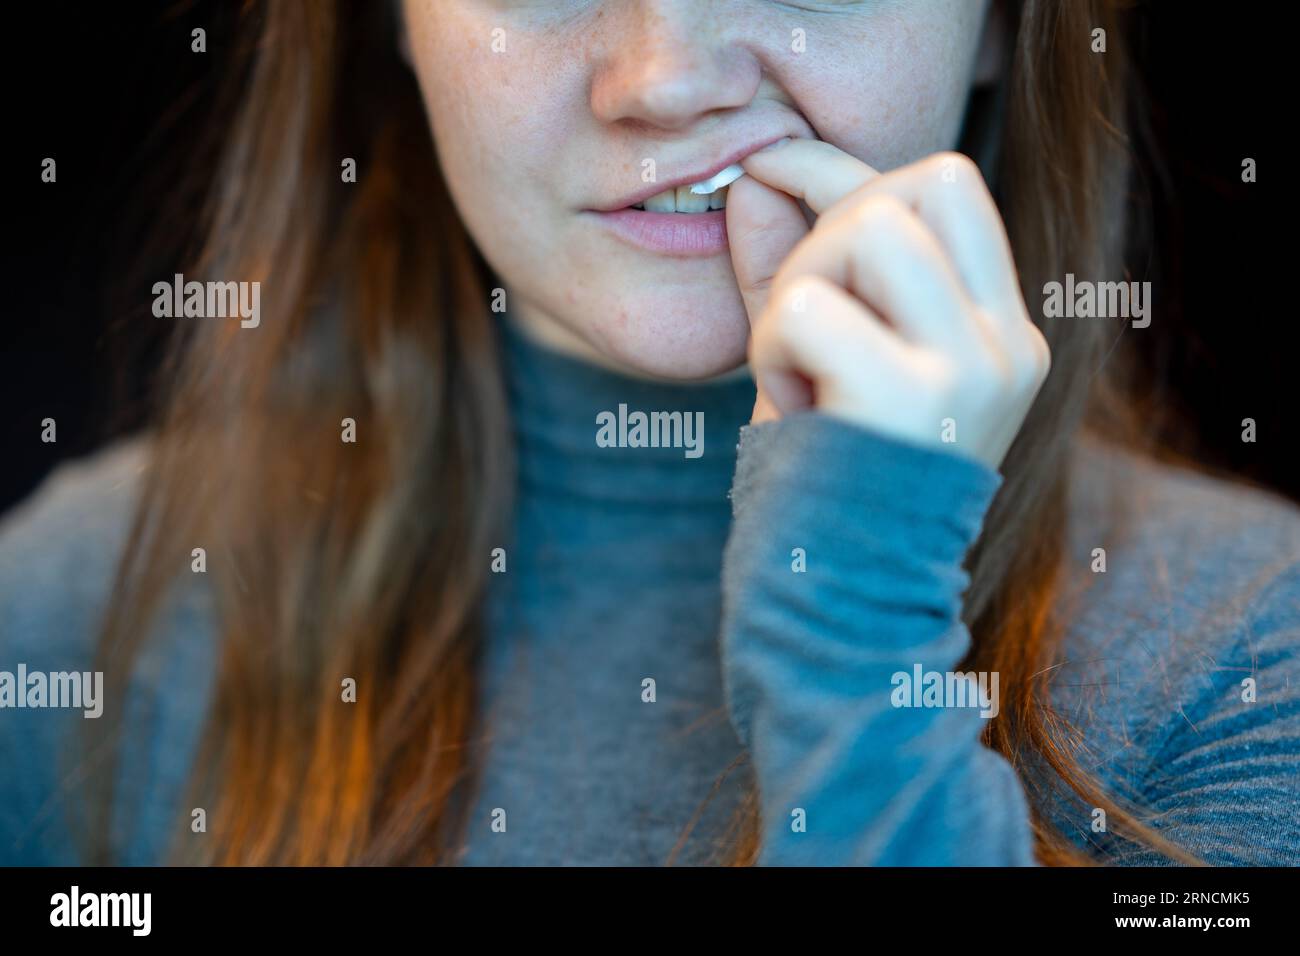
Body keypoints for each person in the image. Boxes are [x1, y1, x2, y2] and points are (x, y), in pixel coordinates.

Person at [1, 0, 1296, 866]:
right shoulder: (73, 613)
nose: (667, 81)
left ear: (1002, 26)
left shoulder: (1249, 652)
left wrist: (853, 621)